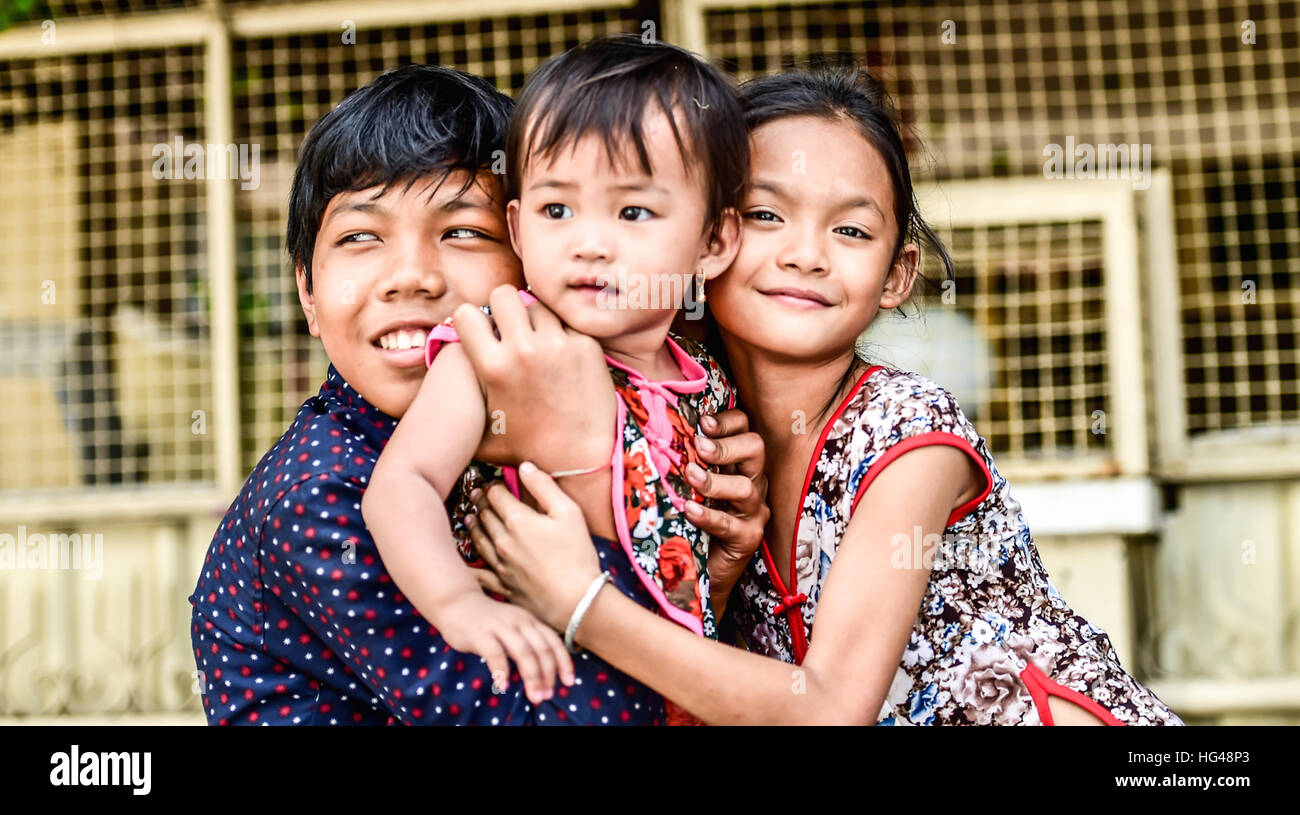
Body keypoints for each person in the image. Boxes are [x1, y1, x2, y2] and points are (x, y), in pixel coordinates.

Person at [464, 65, 1185, 726]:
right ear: (704, 236)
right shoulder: (682, 426)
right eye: (768, 215)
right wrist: (718, 572)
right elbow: (695, 670)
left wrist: (581, 603)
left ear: (897, 274)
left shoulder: (907, 432)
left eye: (850, 229)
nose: (806, 254)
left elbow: (831, 709)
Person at [188, 63, 766, 725]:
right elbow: (566, 713)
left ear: (526, 252)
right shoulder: (323, 496)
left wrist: (715, 563)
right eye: (359, 236)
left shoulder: (604, 387)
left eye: (463, 231)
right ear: (309, 295)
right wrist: (585, 472)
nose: (411, 277)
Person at [362, 35, 747, 725]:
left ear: (713, 242)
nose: (588, 241)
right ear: (517, 225)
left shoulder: (706, 379)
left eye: (632, 212)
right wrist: (460, 604)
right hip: (542, 692)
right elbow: (401, 485)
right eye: (556, 209)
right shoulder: (496, 350)